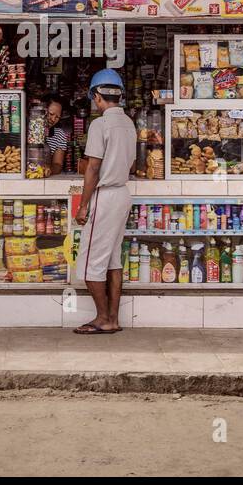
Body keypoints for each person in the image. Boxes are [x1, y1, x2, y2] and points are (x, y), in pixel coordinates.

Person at [72, 69, 135, 335]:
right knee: (113, 262)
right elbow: (131, 162)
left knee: (89, 264)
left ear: (97, 97)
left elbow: (93, 169)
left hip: (105, 196)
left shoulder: (100, 125)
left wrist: (83, 205)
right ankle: (113, 318)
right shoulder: (129, 123)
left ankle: (102, 318)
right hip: (122, 193)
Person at [45, 97, 69, 175]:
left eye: (57, 117)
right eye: (51, 114)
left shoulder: (59, 134)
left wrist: (48, 170)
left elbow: (58, 165)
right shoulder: (26, 130)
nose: (53, 119)